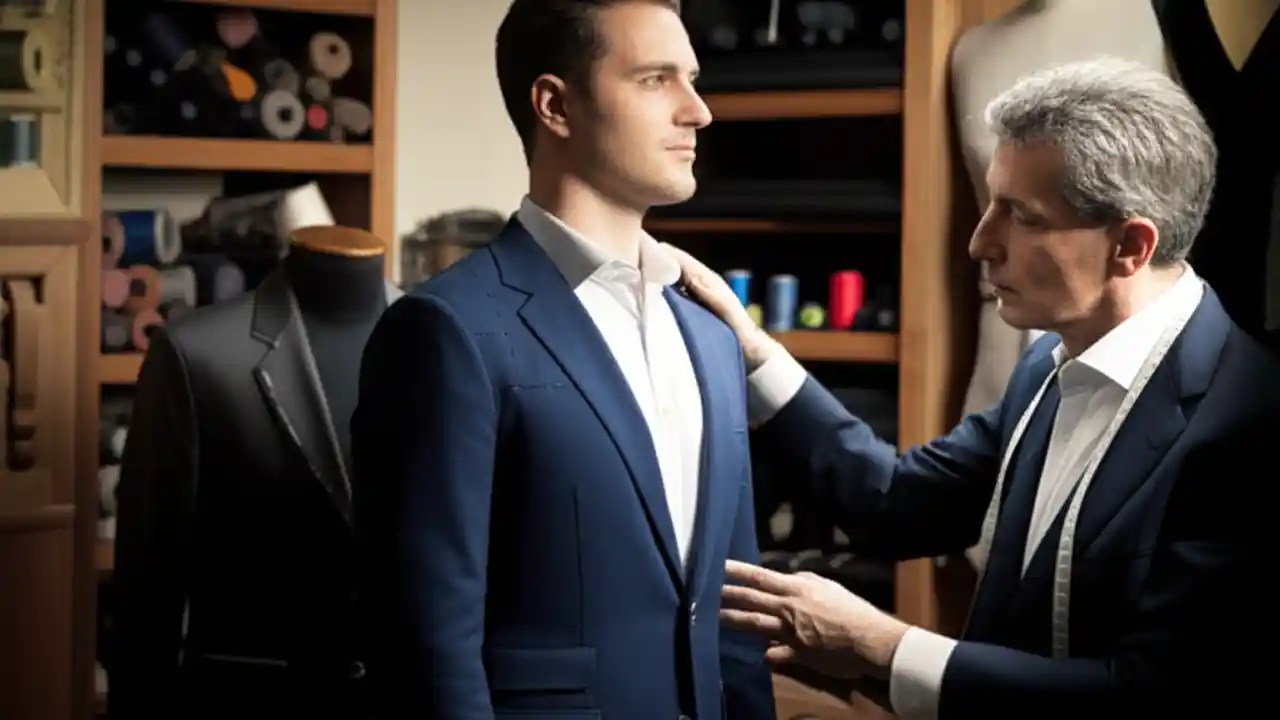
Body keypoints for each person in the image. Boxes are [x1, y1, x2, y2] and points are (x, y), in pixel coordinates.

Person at [665, 57, 1276, 719]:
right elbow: (898, 504)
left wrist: (883, 646)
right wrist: (755, 354)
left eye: (1023, 218)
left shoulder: (1250, 419)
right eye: (992, 206)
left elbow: (1152, 697)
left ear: (1130, 244)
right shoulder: (1046, 366)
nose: (981, 244)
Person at [349, 1, 774, 718]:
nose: (697, 111)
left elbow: (735, 617)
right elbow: (427, 647)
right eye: (654, 80)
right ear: (554, 105)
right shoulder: (448, 331)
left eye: (693, 79)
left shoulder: (710, 337)